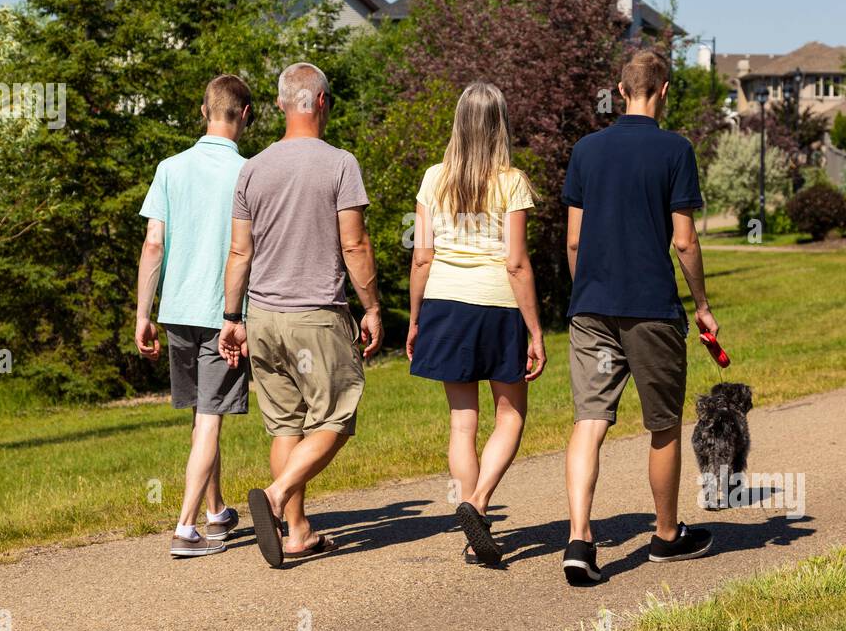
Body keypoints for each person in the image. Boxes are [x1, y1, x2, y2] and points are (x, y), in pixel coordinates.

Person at [560, 49, 718, 585]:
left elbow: (575, 239)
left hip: (592, 309)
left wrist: (586, 292)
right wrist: (702, 305)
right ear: (664, 92)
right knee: (663, 425)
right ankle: (666, 535)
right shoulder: (675, 150)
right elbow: (684, 240)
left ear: (621, 90)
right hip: (652, 309)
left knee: (590, 422)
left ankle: (580, 539)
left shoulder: (586, 150)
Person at [219, 62, 382, 569]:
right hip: (316, 315)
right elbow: (353, 243)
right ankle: (276, 494)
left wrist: (231, 317)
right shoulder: (339, 164)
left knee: (286, 425)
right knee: (337, 415)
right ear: (323, 103)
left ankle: (298, 532)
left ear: (280, 106)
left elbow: (239, 252)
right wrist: (373, 306)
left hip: (263, 317)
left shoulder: (253, 168)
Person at [407, 82, 546, 565]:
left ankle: (473, 530)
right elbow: (516, 263)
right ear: (499, 123)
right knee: (511, 415)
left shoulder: (433, 179)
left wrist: (416, 318)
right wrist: (536, 330)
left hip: (445, 303)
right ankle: (478, 505)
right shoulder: (512, 182)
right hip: (497, 306)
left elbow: (422, 257)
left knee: (462, 422)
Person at [136, 74, 253, 558]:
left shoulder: (170, 168)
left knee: (203, 415)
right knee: (209, 419)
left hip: (177, 309)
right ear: (244, 115)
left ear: (203, 110)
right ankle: (185, 528)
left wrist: (143, 312)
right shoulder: (250, 172)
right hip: (222, 312)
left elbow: (154, 243)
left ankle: (216, 511)